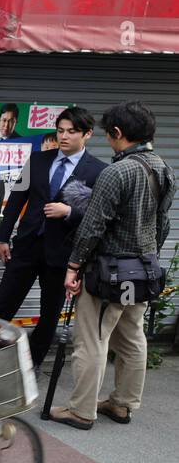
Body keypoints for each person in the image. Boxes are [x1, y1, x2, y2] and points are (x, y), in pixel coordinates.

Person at [54, 101, 174, 430]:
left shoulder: (116, 172)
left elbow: (93, 226)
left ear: (118, 133)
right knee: (132, 337)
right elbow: (161, 225)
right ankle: (122, 405)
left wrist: (74, 266)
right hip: (144, 270)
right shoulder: (163, 168)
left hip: (109, 272)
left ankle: (81, 410)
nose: (108, 141)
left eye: (109, 135)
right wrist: (146, 257)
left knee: (91, 338)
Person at [0, 107, 106, 368]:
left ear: (87, 134)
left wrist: (70, 212)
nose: (64, 136)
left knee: (49, 315)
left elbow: (100, 217)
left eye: (71, 132)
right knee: (3, 307)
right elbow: (17, 200)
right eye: (60, 130)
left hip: (62, 255)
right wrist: (2, 238)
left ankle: (30, 367)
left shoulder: (98, 171)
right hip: (26, 246)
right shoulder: (38, 160)